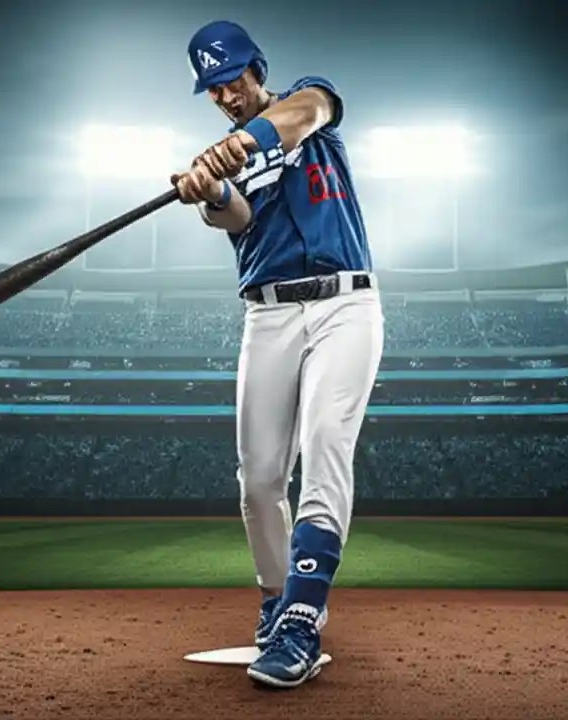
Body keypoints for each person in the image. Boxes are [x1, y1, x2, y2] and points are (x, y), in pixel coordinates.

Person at [172, 19, 384, 688]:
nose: (229, 94)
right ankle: (273, 600)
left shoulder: (304, 102)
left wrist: (241, 142)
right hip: (267, 313)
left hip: (344, 303)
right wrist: (208, 188)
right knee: (260, 477)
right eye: (215, 89)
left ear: (257, 68)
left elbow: (304, 116)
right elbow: (236, 218)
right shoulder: (221, 155)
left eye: (234, 78)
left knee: (325, 444)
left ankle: (301, 614)